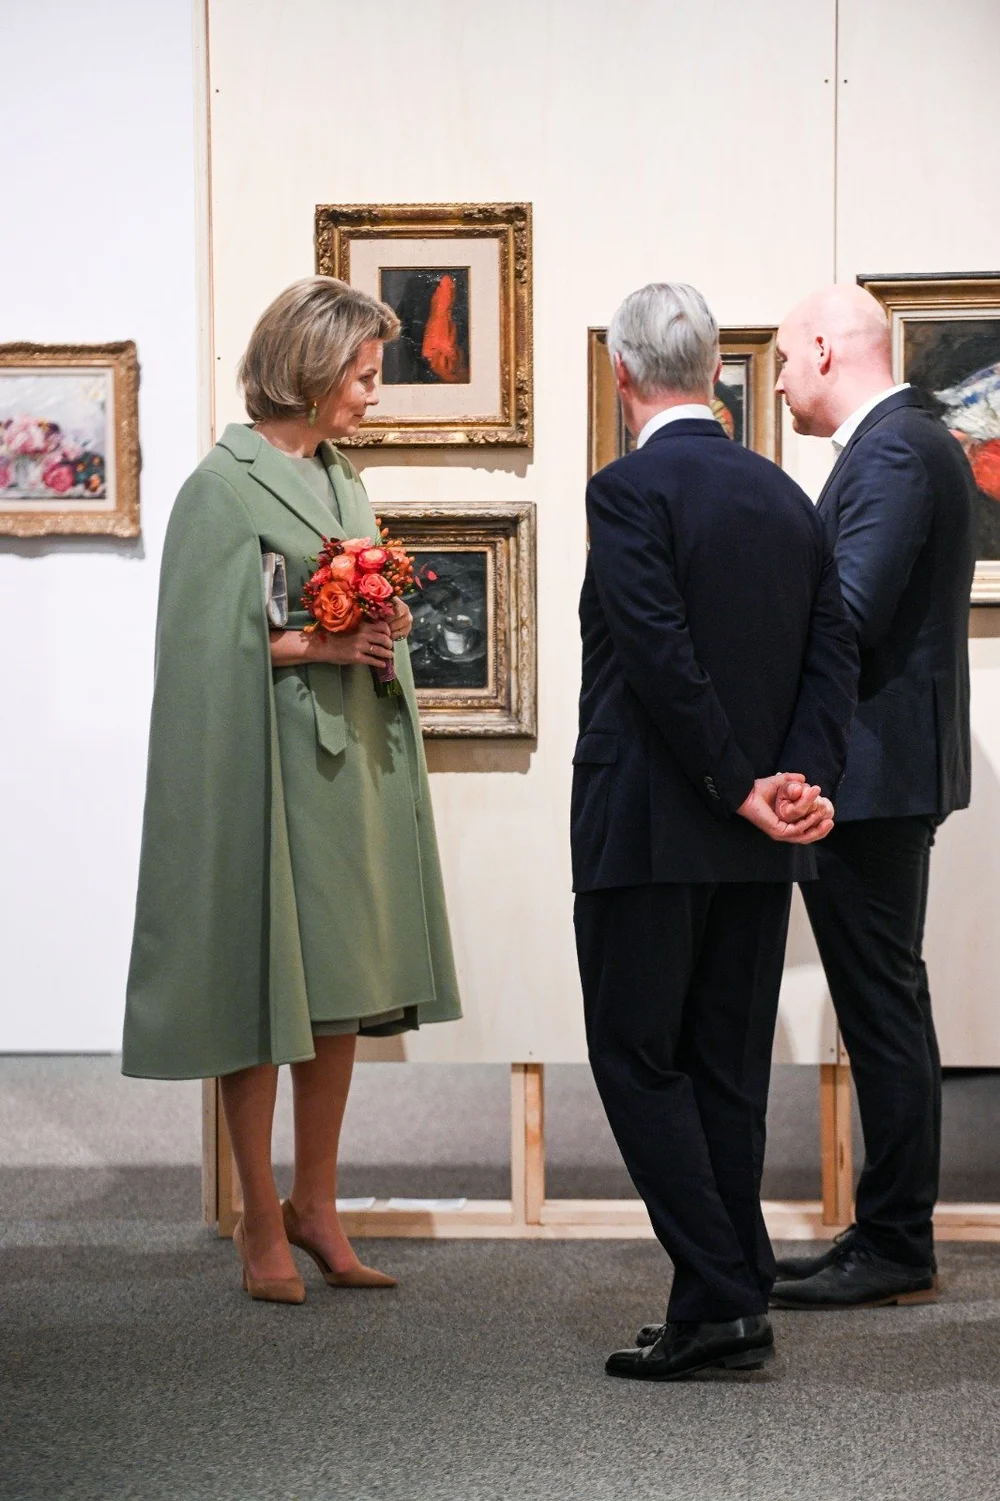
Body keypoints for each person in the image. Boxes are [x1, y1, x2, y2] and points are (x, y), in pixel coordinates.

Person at [123, 277, 462, 1303]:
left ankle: (318, 1204)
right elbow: (199, 647)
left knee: (339, 992)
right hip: (267, 769)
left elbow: (348, 600)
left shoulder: (340, 477)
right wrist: (317, 638)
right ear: (310, 374)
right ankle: (257, 1216)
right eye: (362, 376)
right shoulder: (218, 488)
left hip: (346, 760)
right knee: (265, 989)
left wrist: (384, 628)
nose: (373, 394)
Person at [573, 282, 858, 1381]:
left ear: (624, 375)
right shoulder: (785, 497)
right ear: (716, 375)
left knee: (637, 1059)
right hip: (754, 839)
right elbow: (832, 653)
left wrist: (741, 782)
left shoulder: (627, 489)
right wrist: (800, 782)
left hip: (648, 827)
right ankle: (718, 1300)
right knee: (725, 1070)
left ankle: (727, 1296)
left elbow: (654, 653)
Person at [770, 284, 976, 1310]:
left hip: (873, 780)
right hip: (879, 773)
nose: (773, 380)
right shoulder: (906, 444)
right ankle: (889, 1230)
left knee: (883, 1008)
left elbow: (845, 610)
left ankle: (894, 1243)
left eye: (779, 359)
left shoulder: (895, 449)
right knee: (885, 1001)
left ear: (820, 347)